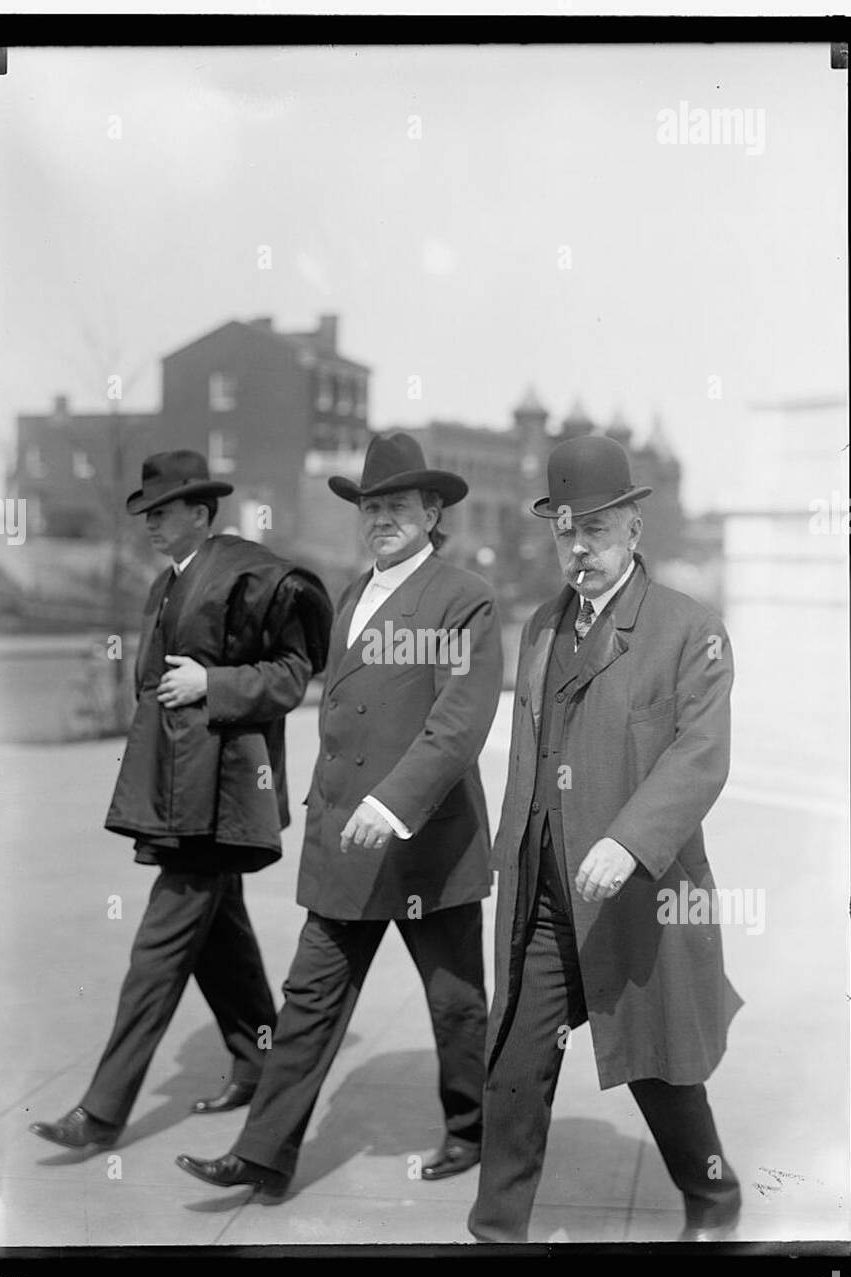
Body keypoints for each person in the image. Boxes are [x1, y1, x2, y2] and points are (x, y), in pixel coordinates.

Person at [175, 431, 503, 1198]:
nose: (381, 517)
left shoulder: (465, 597)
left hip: (428, 842)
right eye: (371, 505)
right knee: (311, 997)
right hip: (345, 846)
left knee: (456, 1004)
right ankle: (263, 1154)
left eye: (397, 504)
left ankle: (470, 1130)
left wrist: (393, 802)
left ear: (432, 510)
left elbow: (460, 719)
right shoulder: (354, 593)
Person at [468, 433, 743, 1242]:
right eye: (564, 529)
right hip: (543, 895)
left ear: (633, 528)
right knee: (515, 1064)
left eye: (594, 527)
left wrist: (627, 841)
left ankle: (714, 1199)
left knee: (658, 1066)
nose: (577, 546)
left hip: (637, 895)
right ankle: (495, 1235)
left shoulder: (689, 630)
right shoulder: (540, 629)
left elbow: (702, 756)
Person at [30, 449, 332, 1151]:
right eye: (146, 514)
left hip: (220, 801)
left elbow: (292, 677)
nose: (150, 525)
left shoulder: (251, 576)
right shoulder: (170, 582)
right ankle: (260, 1058)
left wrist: (213, 686)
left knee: (157, 951)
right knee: (220, 939)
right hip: (179, 795)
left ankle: (102, 1112)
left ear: (200, 513)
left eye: (161, 513)